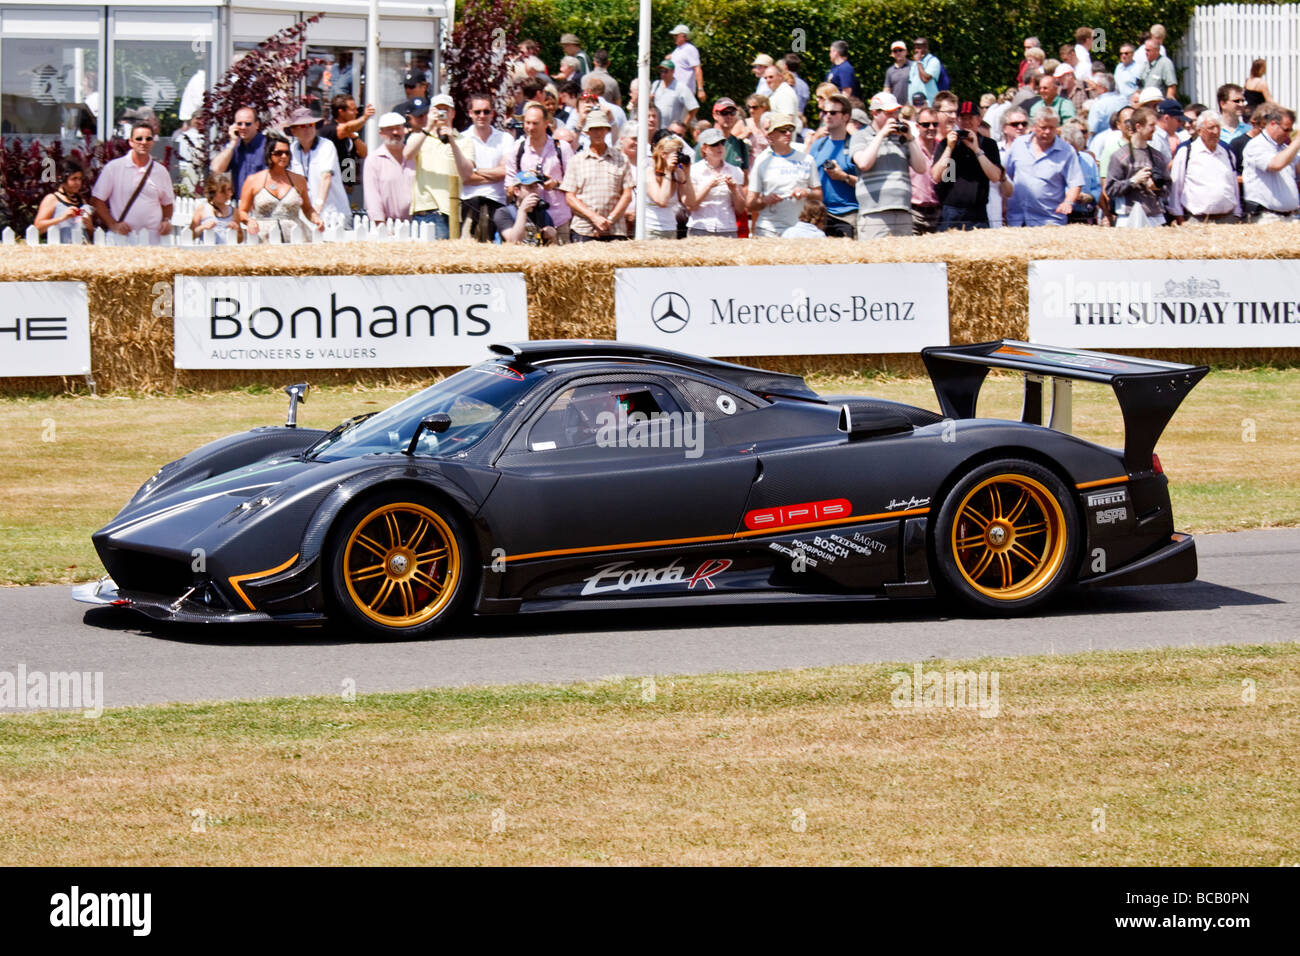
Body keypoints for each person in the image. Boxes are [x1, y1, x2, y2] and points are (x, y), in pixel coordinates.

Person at [850, 91, 929, 238]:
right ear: (874, 113)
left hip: (903, 210)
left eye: (896, 112)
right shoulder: (860, 136)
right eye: (889, 113)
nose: (894, 116)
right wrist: (881, 134)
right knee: (875, 260)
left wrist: (911, 139)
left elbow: (921, 168)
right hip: (874, 213)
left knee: (904, 260)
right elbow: (863, 163)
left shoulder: (902, 138)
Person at [403, 93, 476, 239]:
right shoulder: (419, 137)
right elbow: (407, 156)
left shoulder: (464, 141)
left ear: (453, 114)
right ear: (430, 113)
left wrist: (452, 141)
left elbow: (467, 174)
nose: (441, 114)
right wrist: (428, 127)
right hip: (421, 212)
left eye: (445, 110)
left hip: (447, 213)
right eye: (437, 110)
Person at [89, 122, 174, 244]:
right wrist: (113, 225)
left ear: (153, 142)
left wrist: (166, 220)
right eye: (139, 138)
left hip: (153, 241)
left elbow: (168, 203)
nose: (144, 142)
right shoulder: (114, 168)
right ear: (131, 142)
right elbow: (97, 201)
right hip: (122, 239)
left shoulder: (161, 171)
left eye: (148, 138)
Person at [506, 102, 575, 242]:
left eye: (535, 123)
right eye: (527, 123)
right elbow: (509, 188)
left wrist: (554, 184)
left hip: (558, 218)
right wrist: (524, 181)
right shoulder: (516, 149)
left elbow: (575, 183)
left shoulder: (562, 148)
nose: (530, 128)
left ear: (546, 123)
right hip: (529, 221)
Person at [237, 130, 324, 241]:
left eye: (287, 153)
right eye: (279, 153)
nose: (283, 156)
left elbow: (307, 208)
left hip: (295, 235)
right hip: (264, 237)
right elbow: (242, 211)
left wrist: (316, 219)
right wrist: (249, 221)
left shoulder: (298, 180)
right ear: (269, 154)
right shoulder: (253, 180)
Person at [1003, 108, 1084, 226]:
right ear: (1034, 126)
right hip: (1017, 218)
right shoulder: (1019, 144)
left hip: (1050, 220)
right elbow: (1006, 174)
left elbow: (1075, 182)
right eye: (1043, 127)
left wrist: (1068, 202)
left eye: (1051, 128)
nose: (1047, 131)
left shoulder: (1066, 151)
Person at [930, 101, 1004, 230]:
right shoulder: (947, 143)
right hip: (951, 211)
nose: (966, 121)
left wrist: (976, 150)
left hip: (977, 212)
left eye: (970, 117)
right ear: (958, 121)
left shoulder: (988, 144)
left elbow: (995, 177)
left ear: (979, 120)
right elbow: (936, 176)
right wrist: (949, 148)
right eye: (963, 118)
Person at [562, 110, 633, 241]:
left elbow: (627, 194)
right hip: (583, 229)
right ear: (587, 132)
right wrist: (594, 218)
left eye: (601, 128)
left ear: (607, 130)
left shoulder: (621, 159)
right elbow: (570, 197)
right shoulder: (576, 160)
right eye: (594, 129)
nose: (598, 133)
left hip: (615, 229)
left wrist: (609, 220)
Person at [747, 113, 821, 237]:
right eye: (782, 130)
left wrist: (806, 193)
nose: (787, 133)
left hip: (798, 230)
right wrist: (765, 200)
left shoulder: (807, 159)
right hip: (768, 229)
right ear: (770, 136)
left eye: (790, 129)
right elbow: (750, 203)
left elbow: (819, 195)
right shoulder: (761, 161)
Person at [458, 93, 515, 242]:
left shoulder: (505, 138)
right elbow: (465, 177)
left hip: (498, 203)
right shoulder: (462, 139)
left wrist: (475, 171)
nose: (482, 115)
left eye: (486, 111)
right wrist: (493, 174)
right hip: (469, 203)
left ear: (493, 113)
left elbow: (505, 171)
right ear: (470, 113)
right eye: (477, 112)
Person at [1167, 111, 1241, 223]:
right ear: (1200, 131)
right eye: (1211, 128)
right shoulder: (1186, 152)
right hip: (1197, 220)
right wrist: (1179, 216)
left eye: (1218, 127)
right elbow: (1176, 186)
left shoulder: (1227, 152)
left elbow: (1234, 185)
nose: (1216, 132)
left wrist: (1237, 213)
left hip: (1228, 219)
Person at [283, 107, 351, 228]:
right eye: (303, 126)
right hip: (306, 215)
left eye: (310, 124)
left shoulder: (326, 146)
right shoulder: (292, 149)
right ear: (293, 131)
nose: (308, 129)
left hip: (333, 213)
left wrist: (317, 207)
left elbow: (326, 177)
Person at [1105, 107, 1170, 227]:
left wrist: (1157, 187)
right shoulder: (1119, 156)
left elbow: (1168, 186)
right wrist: (1133, 181)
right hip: (1128, 217)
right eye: (1151, 125)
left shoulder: (1157, 156)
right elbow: (1110, 189)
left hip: (1155, 217)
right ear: (1139, 127)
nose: (1154, 130)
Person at [808, 93, 859, 237]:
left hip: (849, 214)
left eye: (833, 113)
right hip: (821, 215)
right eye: (825, 112)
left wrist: (844, 177)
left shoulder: (856, 144)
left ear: (846, 117)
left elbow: (867, 183)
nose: (827, 116)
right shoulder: (817, 145)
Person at [1242, 105, 1300, 222]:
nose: (1288, 134)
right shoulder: (1256, 145)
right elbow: (1276, 165)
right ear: (1273, 124)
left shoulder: (1284, 148)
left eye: (1290, 130)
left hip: (1288, 217)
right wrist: (1298, 141)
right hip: (1266, 217)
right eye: (1285, 129)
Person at [685, 128, 746, 237]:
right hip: (700, 227)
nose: (720, 147)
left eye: (722, 143)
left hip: (727, 228)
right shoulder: (694, 171)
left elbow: (740, 210)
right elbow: (691, 205)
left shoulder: (735, 171)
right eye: (714, 144)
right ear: (704, 148)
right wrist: (709, 186)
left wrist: (734, 190)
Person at [321, 94, 374, 206]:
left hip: (347, 189)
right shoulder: (330, 130)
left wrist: (354, 137)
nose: (356, 112)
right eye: (352, 109)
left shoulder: (349, 134)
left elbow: (363, 153)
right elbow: (344, 128)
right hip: (332, 189)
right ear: (341, 111)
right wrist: (364, 118)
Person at [363, 111, 415, 225]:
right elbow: (372, 195)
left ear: (404, 130)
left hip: (419, 222)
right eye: (390, 129)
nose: (395, 132)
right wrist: (380, 224)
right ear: (381, 133)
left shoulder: (415, 156)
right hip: (389, 224)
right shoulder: (374, 160)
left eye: (398, 128)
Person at [209, 106, 265, 204]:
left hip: (262, 205)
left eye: (248, 124)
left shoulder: (268, 146)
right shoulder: (235, 147)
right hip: (239, 205)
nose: (243, 127)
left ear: (257, 125)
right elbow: (217, 168)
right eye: (239, 123)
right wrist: (232, 143)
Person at [643, 135, 693, 240]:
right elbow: (662, 201)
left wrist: (687, 174)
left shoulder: (677, 173)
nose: (679, 156)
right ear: (663, 154)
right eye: (676, 153)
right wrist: (668, 172)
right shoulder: (649, 173)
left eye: (680, 152)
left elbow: (689, 202)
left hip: (671, 228)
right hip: (651, 230)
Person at [34, 159, 93, 244]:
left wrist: (90, 226)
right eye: (74, 179)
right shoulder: (52, 199)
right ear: (62, 179)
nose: (78, 182)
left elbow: (89, 235)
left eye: (80, 179)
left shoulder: (82, 201)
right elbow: (38, 228)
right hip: (61, 250)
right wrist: (62, 218)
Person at [493, 171, 557, 245]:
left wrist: (552, 236)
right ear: (516, 191)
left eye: (536, 187)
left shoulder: (543, 214)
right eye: (530, 187)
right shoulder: (503, 213)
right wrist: (522, 211)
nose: (534, 192)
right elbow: (513, 242)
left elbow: (553, 250)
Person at [987, 108, 1026, 227]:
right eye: (1015, 124)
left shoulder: (1034, 152)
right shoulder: (994, 150)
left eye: (1024, 123)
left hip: (1025, 213)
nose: (1020, 127)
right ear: (1004, 128)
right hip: (998, 212)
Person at [910, 106, 944, 233]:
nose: (931, 128)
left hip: (938, 213)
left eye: (935, 124)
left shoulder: (944, 148)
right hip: (914, 213)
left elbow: (949, 179)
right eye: (926, 124)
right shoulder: (910, 147)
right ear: (917, 126)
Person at [190, 172, 240, 243]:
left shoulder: (234, 211)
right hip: (207, 252)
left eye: (229, 190)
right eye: (223, 191)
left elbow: (240, 239)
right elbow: (190, 235)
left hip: (228, 252)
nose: (228, 194)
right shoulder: (202, 209)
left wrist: (236, 230)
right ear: (213, 192)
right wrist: (202, 227)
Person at [652, 58, 699, 130]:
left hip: (671, 130)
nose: (663, 74)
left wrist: (684, 125)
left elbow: (693, 107)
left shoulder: (680, 87)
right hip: (656, 129)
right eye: (661, 71)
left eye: (665, 71)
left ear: (672, 71)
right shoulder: (656, 84)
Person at [668, 24, 704, 99]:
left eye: (676, 35)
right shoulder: (677, 50)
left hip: (686, 92)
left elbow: (697, 68)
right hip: (675, 90)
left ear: (684, 36)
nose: (674, 37)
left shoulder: (690, 49)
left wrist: (700, 89)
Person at [1138, 35, 1177, 99]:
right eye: (1145, 50)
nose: (1146, 53)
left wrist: (1167, 103)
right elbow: (1140, 84)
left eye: (1148, 50)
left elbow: (1171, 86)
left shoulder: (1165, 63)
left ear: (1156, 51)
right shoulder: (1146, 64)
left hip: (1158, 103)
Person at [908, 37, 941, 107]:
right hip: (913, 105)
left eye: (919, 48)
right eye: (915, 48)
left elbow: (925, 79)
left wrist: (919, 62)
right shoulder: (914, 63)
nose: (916, 50)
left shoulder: (933, 61)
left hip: (928, 104)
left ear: (926, 48)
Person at [884, 41, 911, 105]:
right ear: (892, 54)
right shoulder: (889, 71)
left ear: (906, 52)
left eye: (900, 50)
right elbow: (887, 89)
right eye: (895, 51)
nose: (898, 53)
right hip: (896, 107)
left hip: (912, 107)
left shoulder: (914, 66)